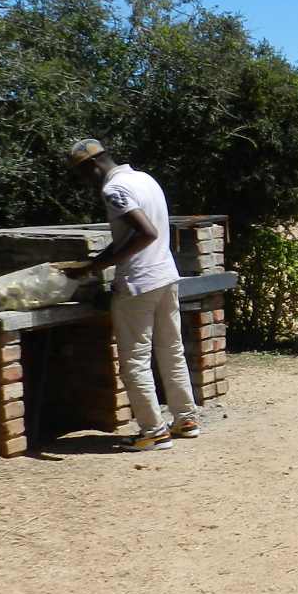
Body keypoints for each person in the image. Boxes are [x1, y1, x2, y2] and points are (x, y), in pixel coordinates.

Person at [67, 138, 199, 451]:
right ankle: (186, 418)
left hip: (138, 284)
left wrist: (95, 266)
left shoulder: (113, 190)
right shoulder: (145, 179)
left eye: (83, 174)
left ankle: (153, 431)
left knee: (135, 361)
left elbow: (145, 233)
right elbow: (136, 235)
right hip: (165, 276)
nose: (86, 182)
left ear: (93, 166)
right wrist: (93, 264)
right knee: (171, 350)